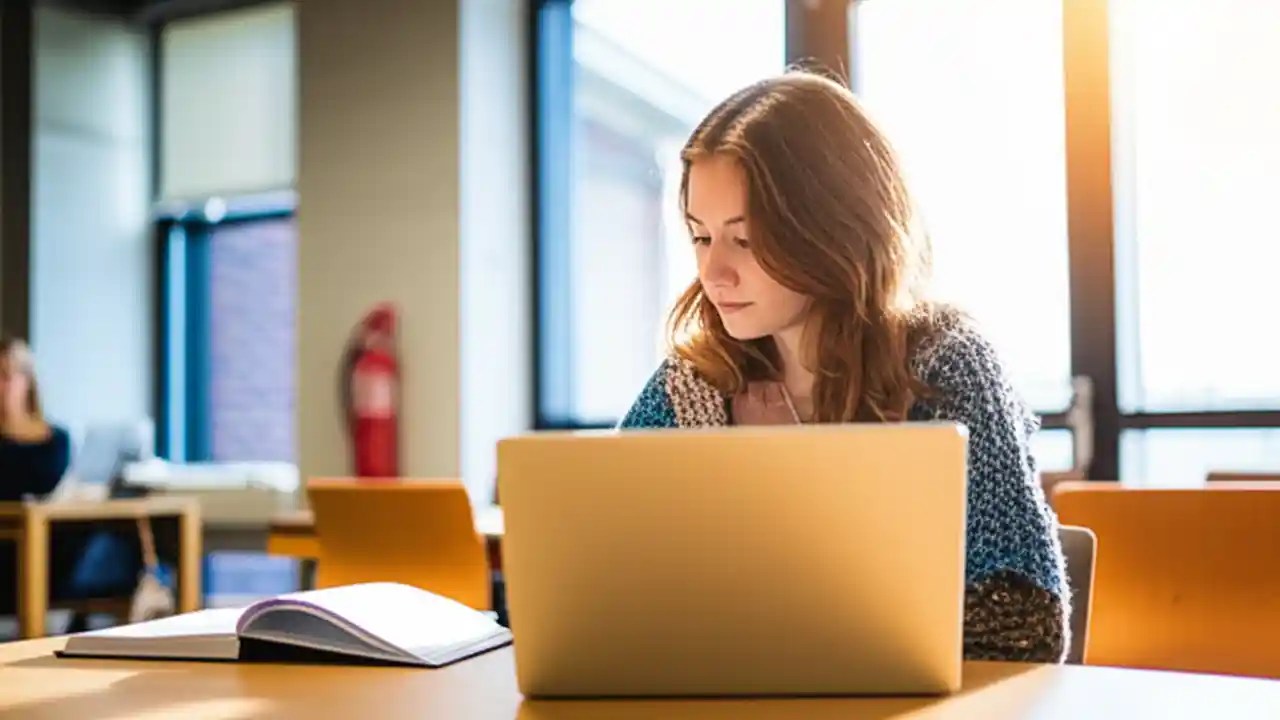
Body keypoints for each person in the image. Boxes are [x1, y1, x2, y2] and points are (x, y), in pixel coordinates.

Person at [619, 71, 1070, 663]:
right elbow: (611, 591)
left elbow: (1023, 623)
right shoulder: (692, 384)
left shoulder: (944, 364)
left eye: (746, 241)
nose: (714, 274)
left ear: (835, 228)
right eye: (702, 238)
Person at [0, 337, 142, 630]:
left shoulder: (58, 440)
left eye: (6, 376)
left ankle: (102, 623)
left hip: (55, 534)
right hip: (11, 542)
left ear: (27, 380)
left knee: (121, 532)